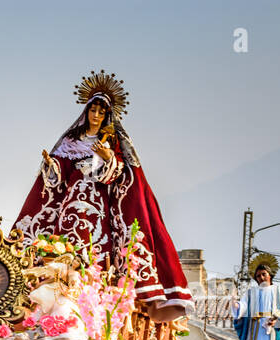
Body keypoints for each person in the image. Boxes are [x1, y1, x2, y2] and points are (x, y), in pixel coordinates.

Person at [14, 72, 192, 320]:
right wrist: (51, 166)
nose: (96, 115)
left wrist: (108, 159)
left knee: (96, 251)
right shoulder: (70, 140)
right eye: (92, 110)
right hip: (69, 204)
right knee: (61, 247)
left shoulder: (111, 140)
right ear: (86, 111)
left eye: (101, 111)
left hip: (96, 206)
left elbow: (120, 175)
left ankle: (93, 300)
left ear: (107, 114)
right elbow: (59, 178)